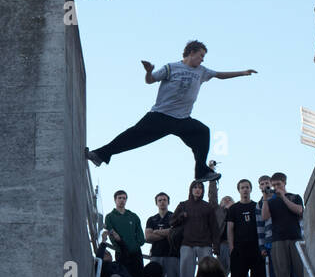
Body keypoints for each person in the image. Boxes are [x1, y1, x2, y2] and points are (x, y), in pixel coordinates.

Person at [86, 41, 256, 182]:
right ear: (191, 53)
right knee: (133, 136)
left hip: (182, 120)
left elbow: (220, 75)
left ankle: (201, 172)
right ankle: (99, 155)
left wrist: (242, 73)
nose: (202, 60)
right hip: (160, 117)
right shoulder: (171, 68)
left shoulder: (202, 71)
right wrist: (148, 72)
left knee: (202, 132)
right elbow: (150, 81)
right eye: (201, 55)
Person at [260, 172, 305, 277]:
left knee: (299, 269)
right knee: (281, 270)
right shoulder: (271, 200)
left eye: (278, 184)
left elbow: (299, 210)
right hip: (277, 239)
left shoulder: (294, 196)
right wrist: (265, 198)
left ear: (284, 183)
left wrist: (283, 197)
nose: (276, 187)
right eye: (273, 185)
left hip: (295, 237)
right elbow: (264, 217)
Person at [172, 178, 218, 277]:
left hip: (205, 244)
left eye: (200, 188)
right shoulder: (183, 205)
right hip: (187, 243)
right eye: (195, 187)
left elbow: (214, 227)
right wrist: (181, 216)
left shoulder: (208, 207)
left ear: (203, 191)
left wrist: (216, 246)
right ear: (191, 190)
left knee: (207, 273)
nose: (198, 190)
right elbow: (171, 221)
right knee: (186, 275)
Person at [227, 179, 268, 277]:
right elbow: (230, 228)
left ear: (250, 189)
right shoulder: (233, 209)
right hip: (239, 248)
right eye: (242, 188)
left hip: (256, 247)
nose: (245, 190)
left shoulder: (256, 206)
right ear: (239, 190)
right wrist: (231, 248)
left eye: (247, 187)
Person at [104, 190, 145, 277]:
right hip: (121, 253)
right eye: (119, 198)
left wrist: (134, 246)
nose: (122, 200)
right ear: (115, 200)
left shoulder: (133, 216)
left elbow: (141, 238)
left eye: (124, 198)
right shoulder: (109, 217)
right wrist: (121, 247)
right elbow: (113, 236)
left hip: (136, 254)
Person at [145, 192, 180, 277]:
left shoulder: (175, 217)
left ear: (168, 202)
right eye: (159, 200)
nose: (162, 202)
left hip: (172, 255)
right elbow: (148, 237)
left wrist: (156, 231)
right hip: (156, 255)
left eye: (164, 200)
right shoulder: (151, 219)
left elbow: (176, 233)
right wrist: (167, 232)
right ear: (156, 203)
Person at [257, 174, 279, 277]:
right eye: (262, 184)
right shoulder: (259, 204)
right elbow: (259, 226)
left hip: (282, 236)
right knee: (272, 270)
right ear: (259, 187)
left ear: (270, 184)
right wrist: (262, 246)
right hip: (270, 240)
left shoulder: (279, 197)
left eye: (266, 183)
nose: (265, 185)